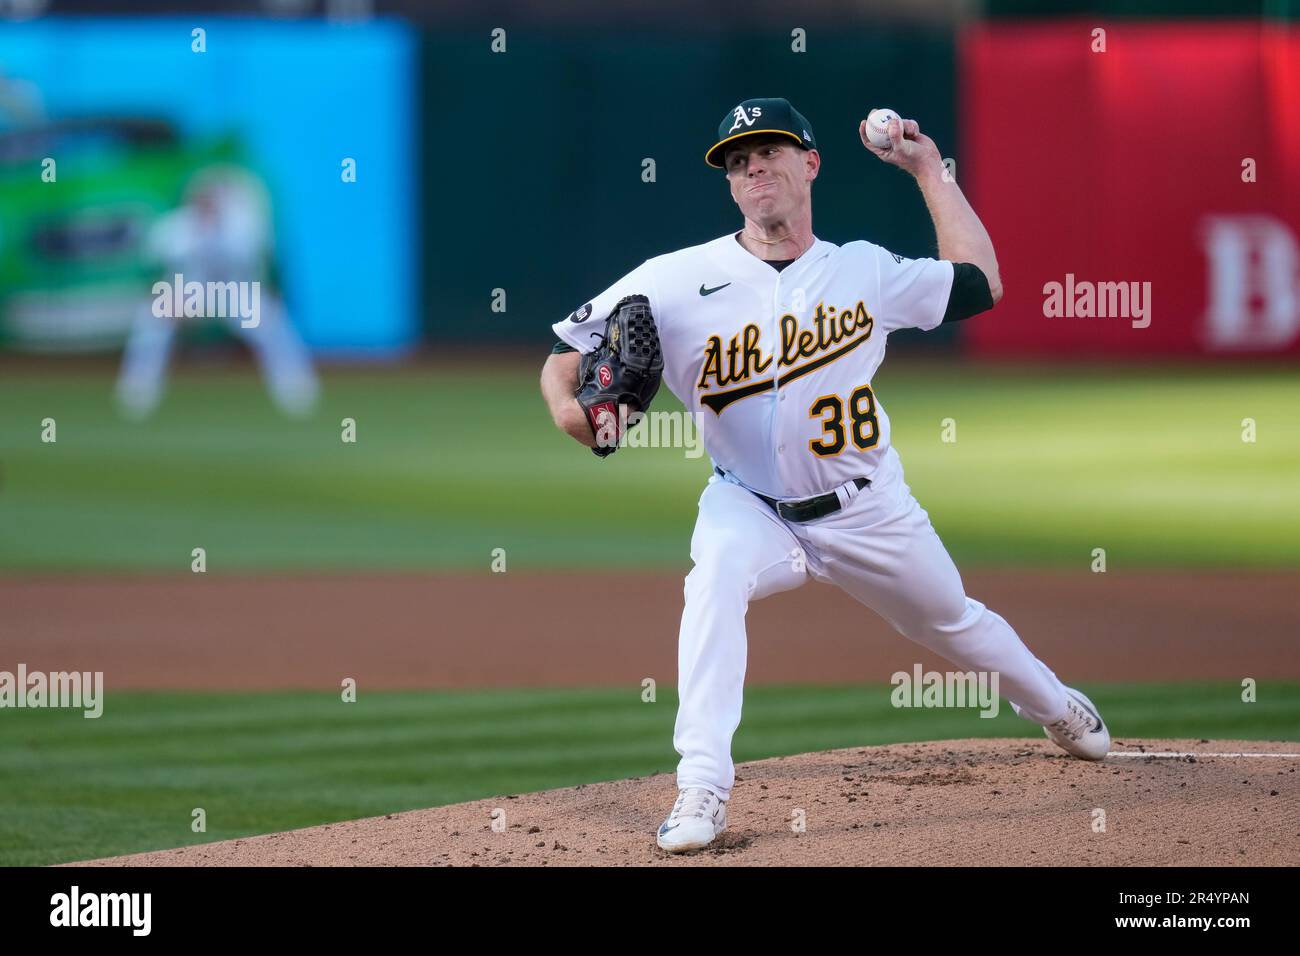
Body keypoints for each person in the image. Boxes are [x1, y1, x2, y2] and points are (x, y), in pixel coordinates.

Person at [539, 98, 1109, 854]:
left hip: (868, 508)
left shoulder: (864, 269)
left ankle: (1055, 705)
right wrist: (578, 417)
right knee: (711, 582)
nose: (753, 170)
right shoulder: (672, 279)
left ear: (810, 164)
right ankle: (702, 787)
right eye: (738, 162)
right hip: (750, 503)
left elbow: (981, 282)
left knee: (954, 623)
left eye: (769, 152)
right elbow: (562, 359)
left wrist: (928, 169)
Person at [115, 165, 319, 419]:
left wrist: (274, 292)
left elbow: (269, 263)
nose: (206, 203)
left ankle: (296, 391)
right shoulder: (176, 228)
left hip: (235, 289)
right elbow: (151, 268)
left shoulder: (243, 228)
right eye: (201, 198)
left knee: (272, 323)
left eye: (211, 198)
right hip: (191, 288)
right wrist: (161, 295)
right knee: (151, 320)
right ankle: (138, 392)